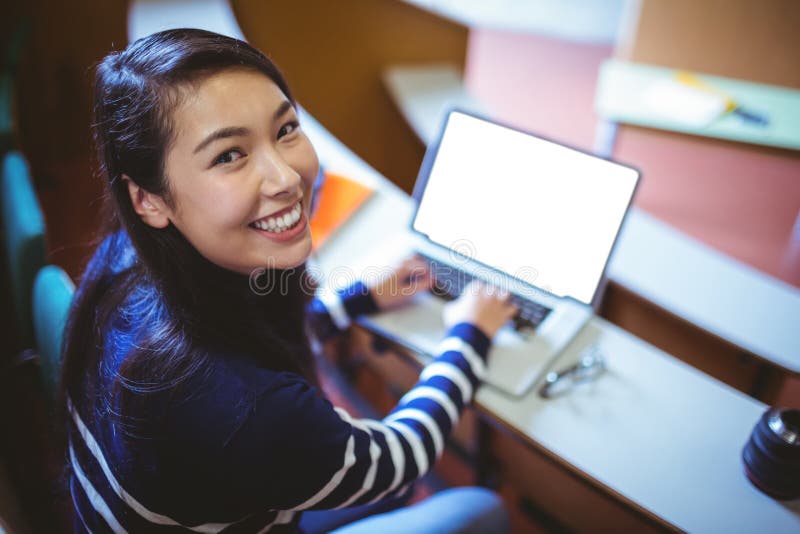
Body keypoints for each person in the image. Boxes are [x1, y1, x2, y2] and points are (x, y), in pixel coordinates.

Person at [61, 28, 517, 533]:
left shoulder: (126, 257)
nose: (287, 178)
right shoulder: (246, 408)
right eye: (228, 155)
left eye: (285, 129)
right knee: (480, 511)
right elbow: (395, 461)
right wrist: (469, 337)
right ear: (148, 198)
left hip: (226, 491)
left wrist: (352, 303)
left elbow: (243, 359)